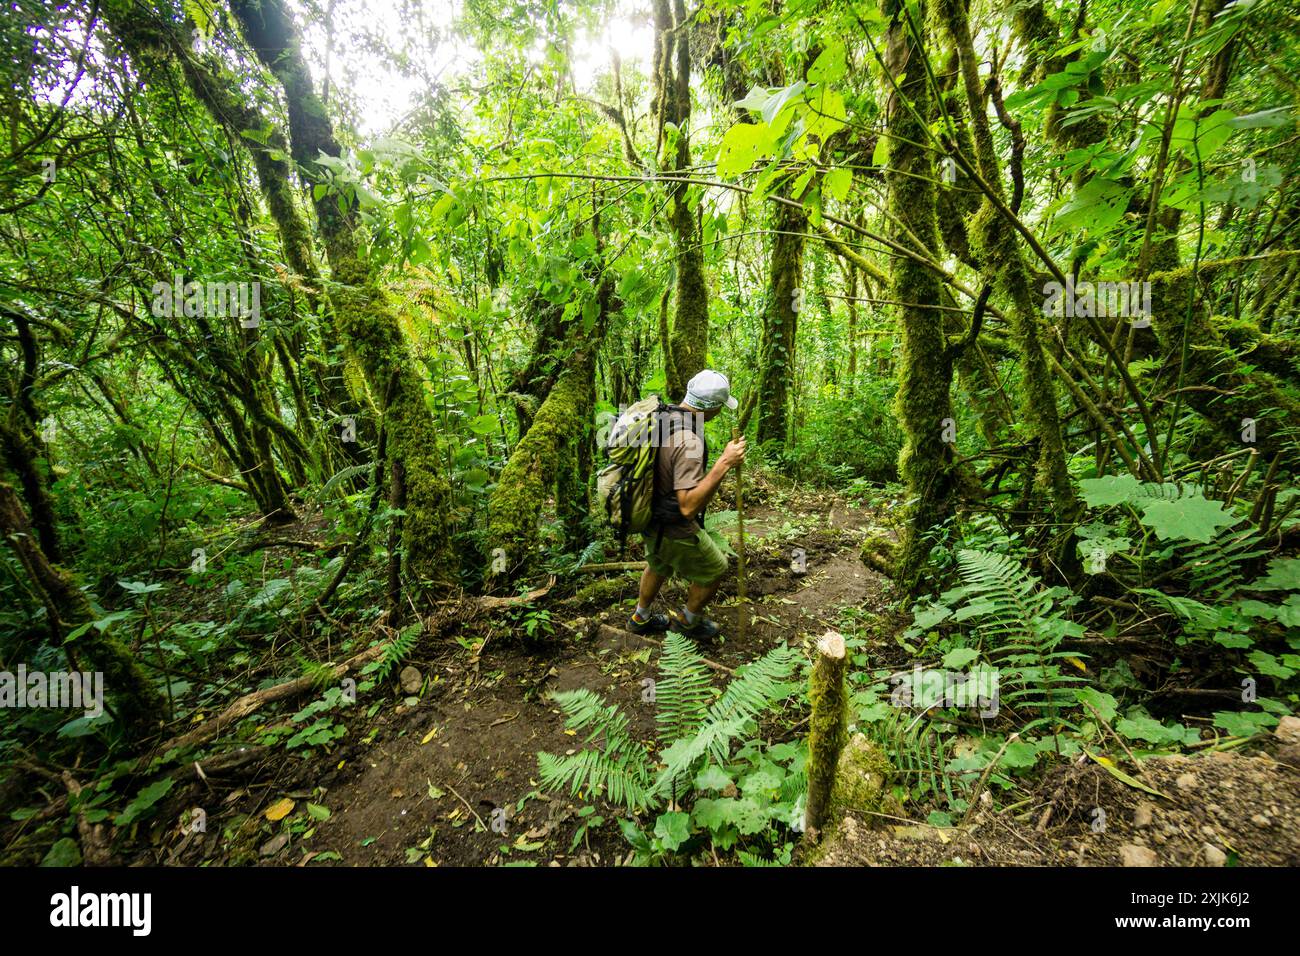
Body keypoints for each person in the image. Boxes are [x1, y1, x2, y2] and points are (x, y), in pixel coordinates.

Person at [627, 369, 746, 641]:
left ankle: (640, 618)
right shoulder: (690, 440)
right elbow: (688, 506)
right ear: (712, 408)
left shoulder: (662, 417)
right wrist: (724, 462)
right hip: (672, 525)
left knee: (658, 563)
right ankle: (686, 623)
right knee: (716, 568)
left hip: (648, 515)